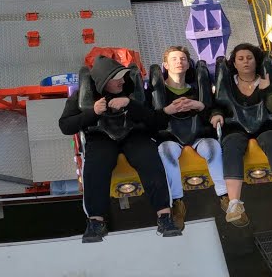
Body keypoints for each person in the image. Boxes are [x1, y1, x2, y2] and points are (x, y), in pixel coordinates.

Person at [59, 54, 181, 243]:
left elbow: (156, 121)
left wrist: (130, 104)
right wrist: (93, 113)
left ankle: (164, 216)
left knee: (149, 158)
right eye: (117, 78)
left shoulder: (133, 90)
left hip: (134, 134)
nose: (122, 80)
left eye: (124, 76)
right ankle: (95, 221)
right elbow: (66, 126)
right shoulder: (85, 95)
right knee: (96, 166)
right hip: (101, 136)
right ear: (104, 81)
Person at [213, 43, 272, 226]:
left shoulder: (266, 80)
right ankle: (234, 203)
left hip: (265, 125)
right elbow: (217, 105)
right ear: (234, 64)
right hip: (236, 125)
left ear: (256, 61)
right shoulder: (228, 84)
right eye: (241, 58)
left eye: (249, 58)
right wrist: (216, 114)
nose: (246, 62)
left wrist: (268, 89)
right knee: (231, 145)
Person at [151, 45, 227, 229]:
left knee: (213, 147)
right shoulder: (156, 92)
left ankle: (225, 196)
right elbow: (150, 118)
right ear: (166, 65)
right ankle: (177, 202)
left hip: (197, 135)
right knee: (166, 151)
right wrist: (167, 110)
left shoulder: (197, 90)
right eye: (174, 59)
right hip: (170, 136)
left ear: (188, 64)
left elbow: (214, 107)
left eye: (183, 59)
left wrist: (200, 106)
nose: (179, 62)